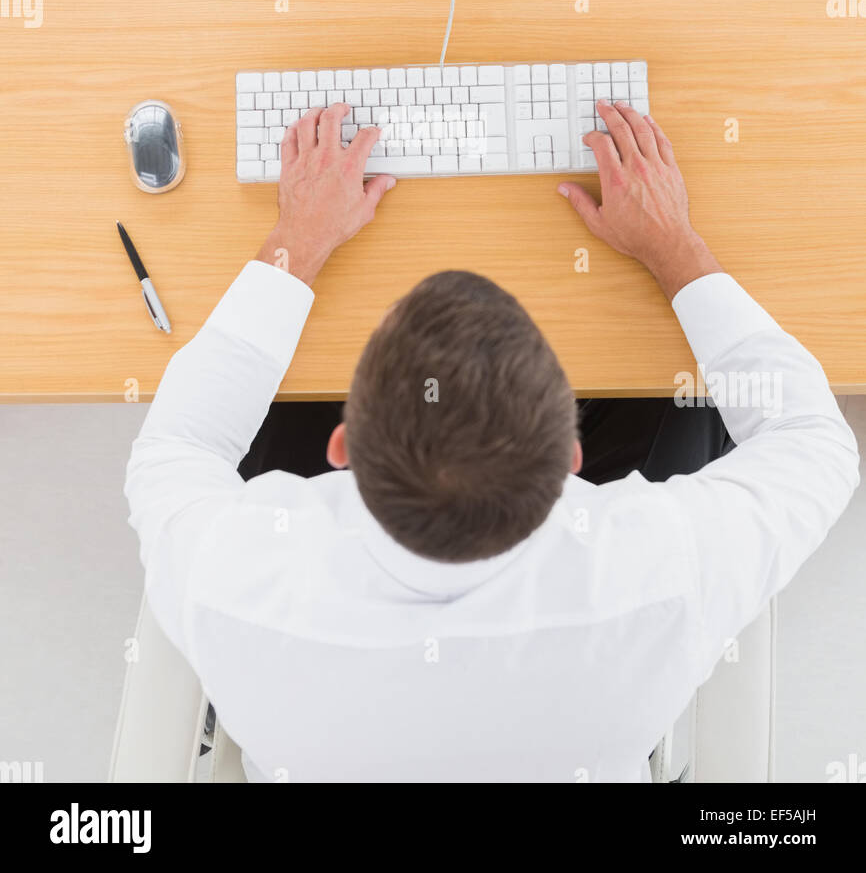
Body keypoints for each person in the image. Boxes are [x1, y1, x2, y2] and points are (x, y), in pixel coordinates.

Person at [125, 99, 859, 783]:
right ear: (573, 462)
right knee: (683, 396)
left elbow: (180, 444)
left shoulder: (235, 578)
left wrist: (297, 242)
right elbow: (812, 439)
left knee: (276, 400)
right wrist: (674, 248)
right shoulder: (660, 573)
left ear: (342, 445)